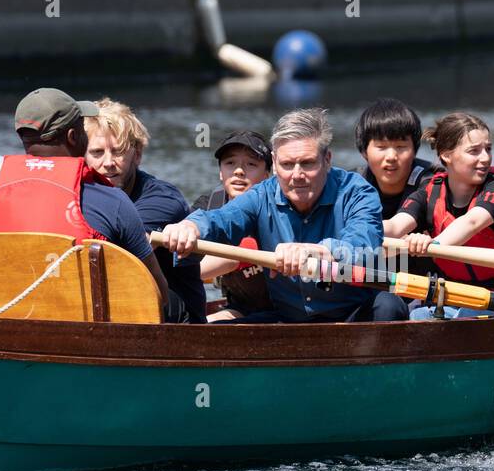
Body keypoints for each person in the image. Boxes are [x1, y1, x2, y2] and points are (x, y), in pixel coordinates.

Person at [161, 108, 405, 323]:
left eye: (307, 164)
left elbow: (364, 244)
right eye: (287, 165)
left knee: (390, 306)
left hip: (353, 314)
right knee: (215, 334)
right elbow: (223, 219)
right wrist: (190, 226)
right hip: (289, 320)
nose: (297, 175)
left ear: (327, 160)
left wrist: (316, 251)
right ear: (275, 163)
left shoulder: (357, 191)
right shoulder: (260, 196)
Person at [0, 87, 168, 310]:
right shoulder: (113, 202)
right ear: (73, 136)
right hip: (87, 334)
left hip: (13, 329)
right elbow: (157, 293)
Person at [384, 112, 494, 319]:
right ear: (446, 155)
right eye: (474, 151)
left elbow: (472, 222)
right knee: (418, 316)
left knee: (466, 314)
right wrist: (350, 230)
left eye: (488, 149)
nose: (485, 158)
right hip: (460, 298)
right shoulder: (428, 194)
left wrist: (430, 245)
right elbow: (394, 227)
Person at [83, 97, 206, 321]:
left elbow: (114, 247)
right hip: (121, 310)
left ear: (137, 154)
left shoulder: (164, 201)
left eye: (118, 151)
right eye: (97, 153)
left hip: (179, 322)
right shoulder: (81, 194)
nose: (108, 162)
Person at [190, 130, 275, 321]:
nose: (238, 171)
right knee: (188, 322)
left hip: (283, 311)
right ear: (221, 172)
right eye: (230, 163)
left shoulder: (277, 207)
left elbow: (234, 257)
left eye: (251, 164)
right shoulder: (208, 206)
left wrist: (174, 275)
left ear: (268, 175)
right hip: (240, 308)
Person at [355, 98, 436, 219]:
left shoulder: (435, 183)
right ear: (364, 152)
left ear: (414, 150)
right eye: (381, 147)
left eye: (401, 146)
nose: (391, 157)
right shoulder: (351, 185)